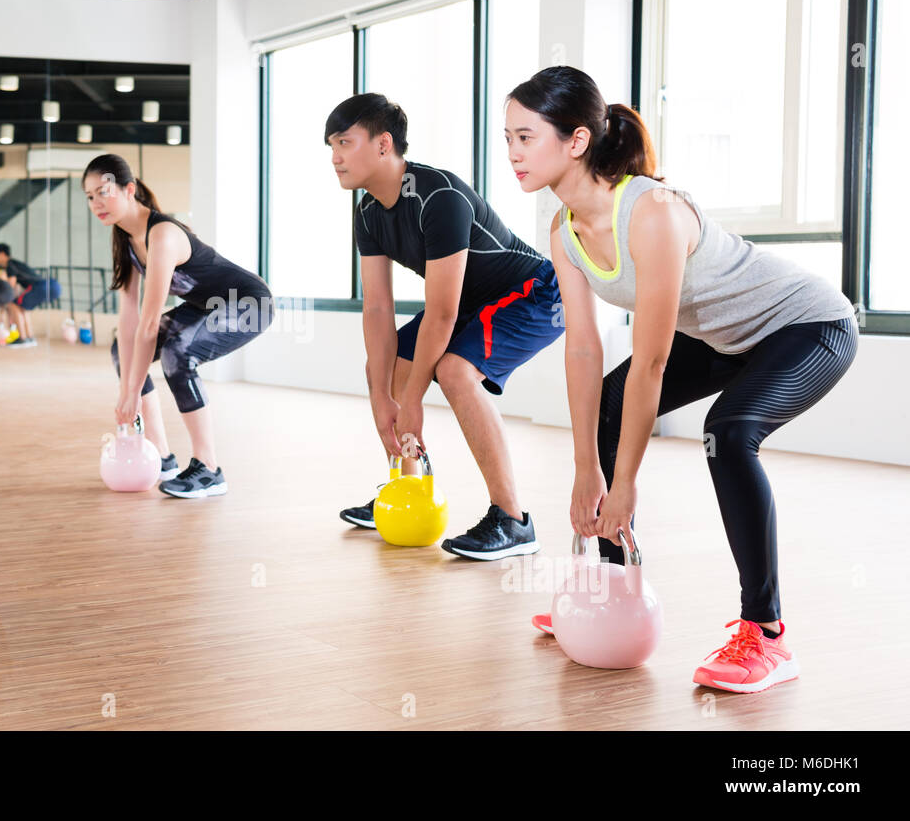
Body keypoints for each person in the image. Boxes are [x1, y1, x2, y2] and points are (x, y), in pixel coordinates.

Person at [510, 66, 857, 693]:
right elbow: (584, 351)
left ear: (577, 141)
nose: (512, 152)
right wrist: (587, 467)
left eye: (526, 137)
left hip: (808, 325)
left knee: (728, 430)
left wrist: (626, 483)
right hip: (727, 339)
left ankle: (767, 634)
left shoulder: (651, 212)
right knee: (611, 403)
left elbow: (652, 361)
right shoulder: (563, 230)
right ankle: (611, 590)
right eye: (508, 136)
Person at [326, 93, 564, 560]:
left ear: (382, 145)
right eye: (331, 145)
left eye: (344, 142)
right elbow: (376, 308)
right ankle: (405, 491)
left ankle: (513, 520)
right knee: (390, 366)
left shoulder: (438, 195)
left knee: (455, 371)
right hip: (468, 302)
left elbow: (441, 312)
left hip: (533, 292)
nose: (335, 158)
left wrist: (411, 400)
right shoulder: (368, 212)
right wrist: (382, 397)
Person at [84, 153, 272, 498]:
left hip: (250, 304)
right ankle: (161, 455)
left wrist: (131, 393)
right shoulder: (126, 241)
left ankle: (210, 469)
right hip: (206, 307)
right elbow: (129, 319)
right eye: (90, 196)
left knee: (176, 352)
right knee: (119, 352)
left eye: (103, 191)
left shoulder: (163, 234)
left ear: (129, 190)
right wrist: (127, 388)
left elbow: (150, 322)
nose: (97, 202)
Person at [0, 242, 43, 346]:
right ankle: (29, 337)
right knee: (23, 308)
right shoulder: (14, 263)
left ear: (2, 254)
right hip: (40, 286)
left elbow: (11, 286)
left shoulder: (10, 265)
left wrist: (8, 300)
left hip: (38, 286)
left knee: (14, 305)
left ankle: (22, 338)